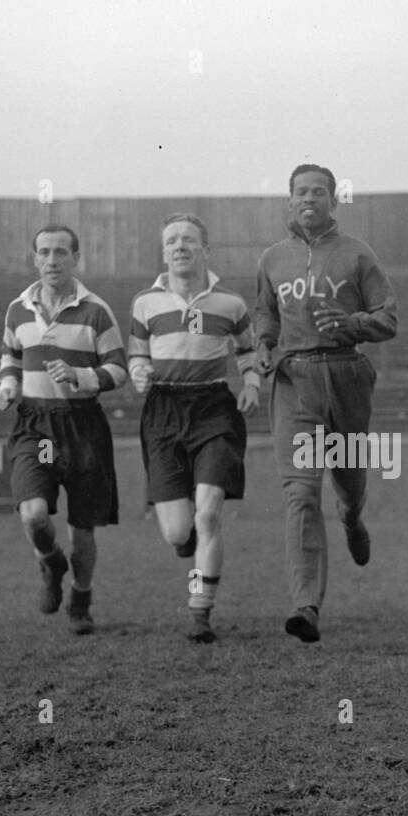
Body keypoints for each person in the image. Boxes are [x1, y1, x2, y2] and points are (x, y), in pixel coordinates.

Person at [253, 164, 398, 643]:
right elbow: (265, 317)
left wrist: (352, 322)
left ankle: (353, 517)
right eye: (300, 192)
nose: (309, 198)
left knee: (349, 484)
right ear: (289, 201)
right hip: (295, 381)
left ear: (335, 202)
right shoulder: (273, 259)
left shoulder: (358, 255)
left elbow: (388, 318)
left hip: (346, 376)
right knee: (299, 492)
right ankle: (305, 605)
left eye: (319, 192)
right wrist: (263, 348)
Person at [127, 213, 260, 643]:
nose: (179, 246)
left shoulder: (230, 304)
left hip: (213, 407)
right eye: (171, 241)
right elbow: (136, 355)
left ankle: (201, 610)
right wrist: (139, 372)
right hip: (163, 408)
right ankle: (185, 544)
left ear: (206, 249)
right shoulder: (145, 303)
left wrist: (253, 384)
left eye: (188, 239)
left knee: (209, 512)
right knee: (177, 531)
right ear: (163, 252)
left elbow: (247, 353)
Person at [0, 224, 128, 634]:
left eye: (61, 253)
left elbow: (119, 370)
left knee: (83, 531)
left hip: (82, 426)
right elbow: (10, 357)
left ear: (76, 258)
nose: (52, 260)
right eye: (45, 252)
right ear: (34, 258)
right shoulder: (18, 308)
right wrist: (8, 385)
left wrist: (80, 374)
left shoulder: (96, 311)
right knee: (34, 515)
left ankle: (81, 602)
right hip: (35, 424)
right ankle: (52, 563)